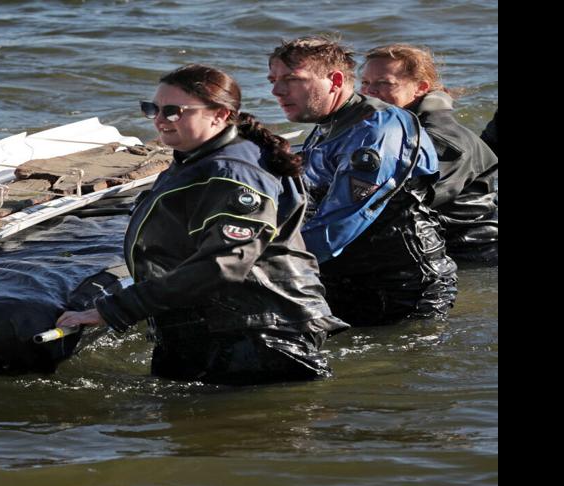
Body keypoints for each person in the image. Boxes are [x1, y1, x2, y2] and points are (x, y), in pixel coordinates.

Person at [55, 65, 345, 385]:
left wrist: (116, 309)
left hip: (257, 334)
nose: (159, 119)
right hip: (215, 324)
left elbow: (223, 265)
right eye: (152, 109)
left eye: (174, 111)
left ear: (219, 115)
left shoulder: (234, 172)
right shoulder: (196, 158)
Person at [268, 36, 456, 327]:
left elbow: (338, 225)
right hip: (348, 278)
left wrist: (259, 263)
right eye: (273, 79)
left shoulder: (377, 131)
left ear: (335, 80)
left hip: (402, 292)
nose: (276, 91)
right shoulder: (331, 124)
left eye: (292, 79)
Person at [360, 44, 497, 265]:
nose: (369, 92)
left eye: (384, 83)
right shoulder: (394, 128)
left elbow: (405, 200)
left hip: (472, 254)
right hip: (428, 246)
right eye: (365, 83)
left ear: (420, 88)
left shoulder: (442, 142)